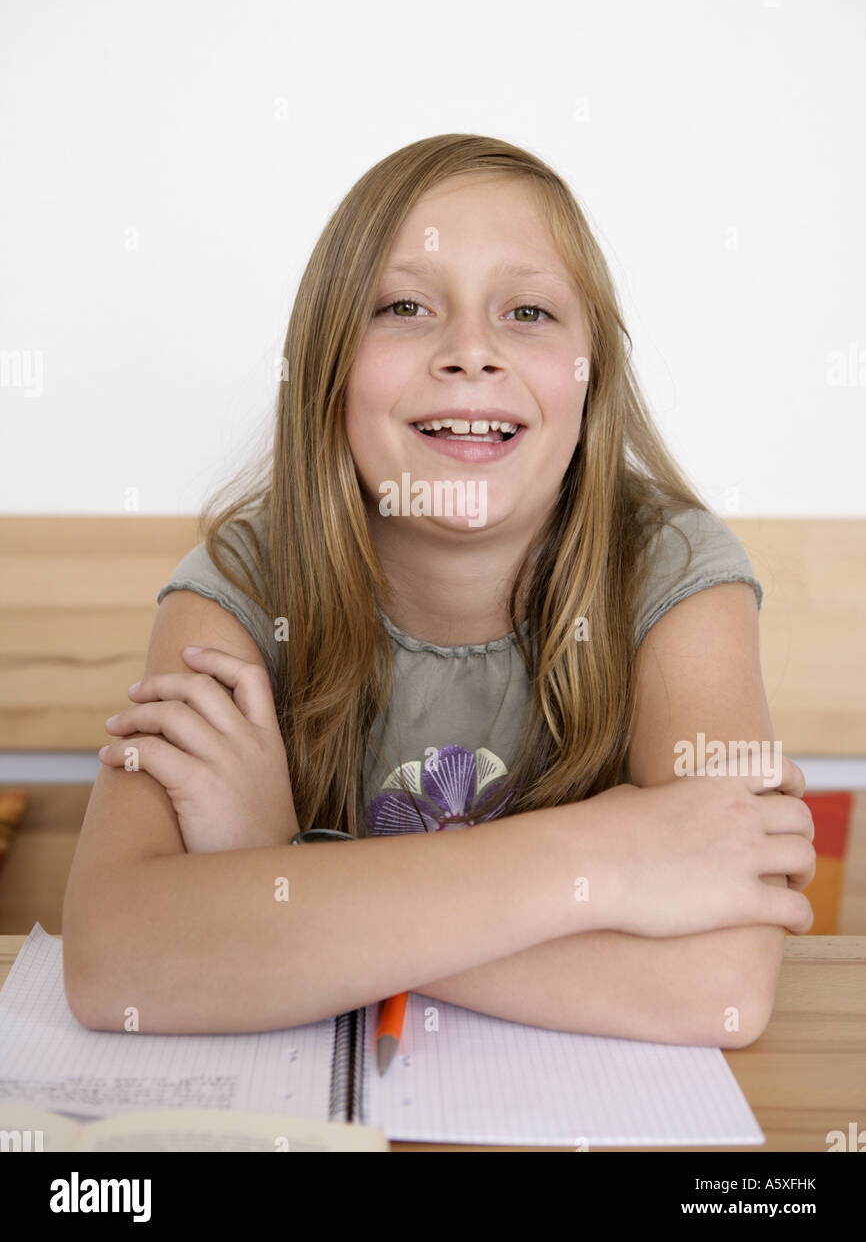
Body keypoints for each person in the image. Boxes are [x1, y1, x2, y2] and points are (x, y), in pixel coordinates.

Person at [63, 134, 815, 1044]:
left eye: (529, 312)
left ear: (592, 377)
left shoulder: (672, 576)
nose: (470, 352)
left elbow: (718, 987)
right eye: (407, 306)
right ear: (329, 366)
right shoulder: (245, 588)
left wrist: (286, 873)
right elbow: (117, 959)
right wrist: (608, 858)